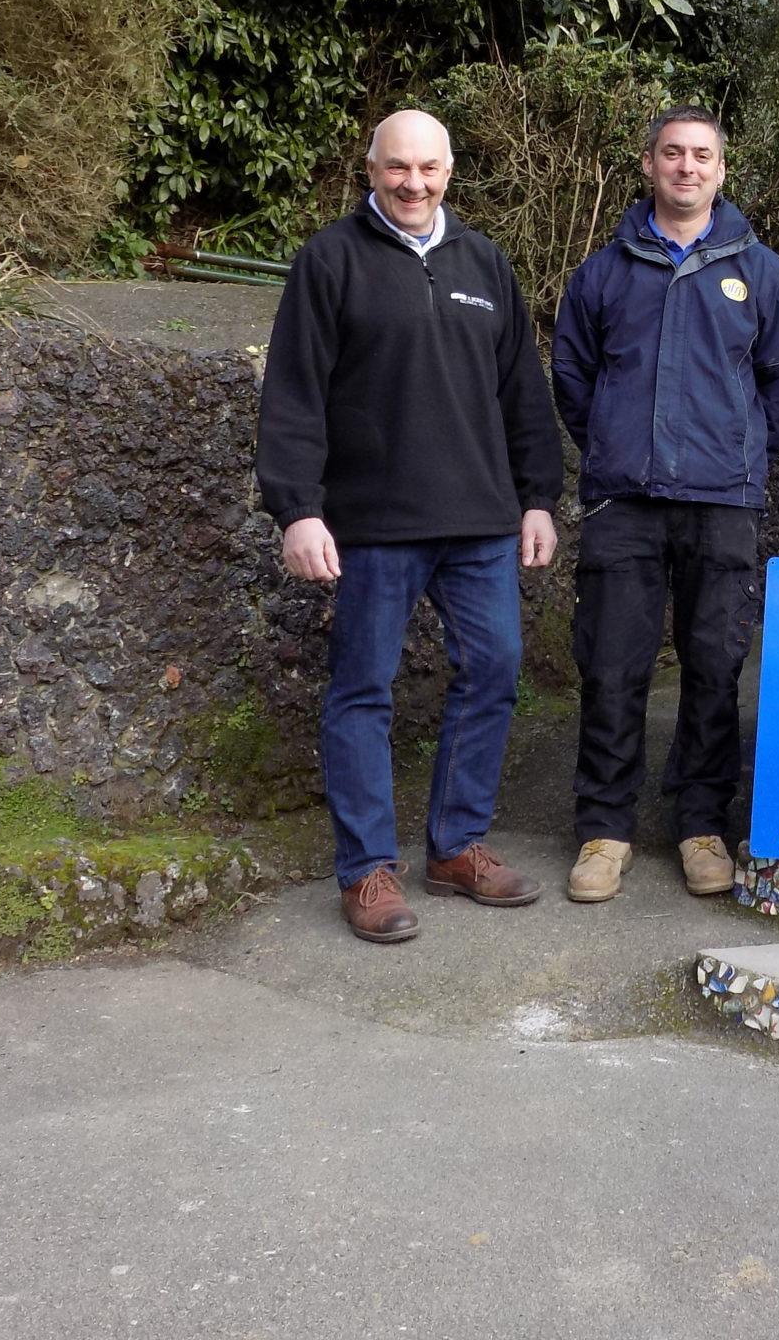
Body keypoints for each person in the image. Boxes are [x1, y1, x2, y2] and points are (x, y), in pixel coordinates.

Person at [256, 109, 566, 943]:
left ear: (450, 171)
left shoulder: (485, 263)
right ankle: (366, 870)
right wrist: (298, 508)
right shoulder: (330, 261)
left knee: (496, 670)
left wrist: (540, 496)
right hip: (373, 526)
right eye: (398, 167)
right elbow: (293, 397)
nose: (414, 183)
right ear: (371, 167)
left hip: (481, 523)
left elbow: (522, 396)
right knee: (362, 690)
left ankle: (457, 847)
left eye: (429, 168)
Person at [549, 108, 779, 903]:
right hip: (624, 500)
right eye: (673, 153)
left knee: (713, 667)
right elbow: (573, 376)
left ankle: (702, 825)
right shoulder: (602, 272)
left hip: (722, 502)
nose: (687, 167)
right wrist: (618, 444)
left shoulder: (762, 272)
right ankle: (605, 829)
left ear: (721, 171)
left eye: (702, 155)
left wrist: (736, 449)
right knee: (614, 668)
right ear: (649, 164)